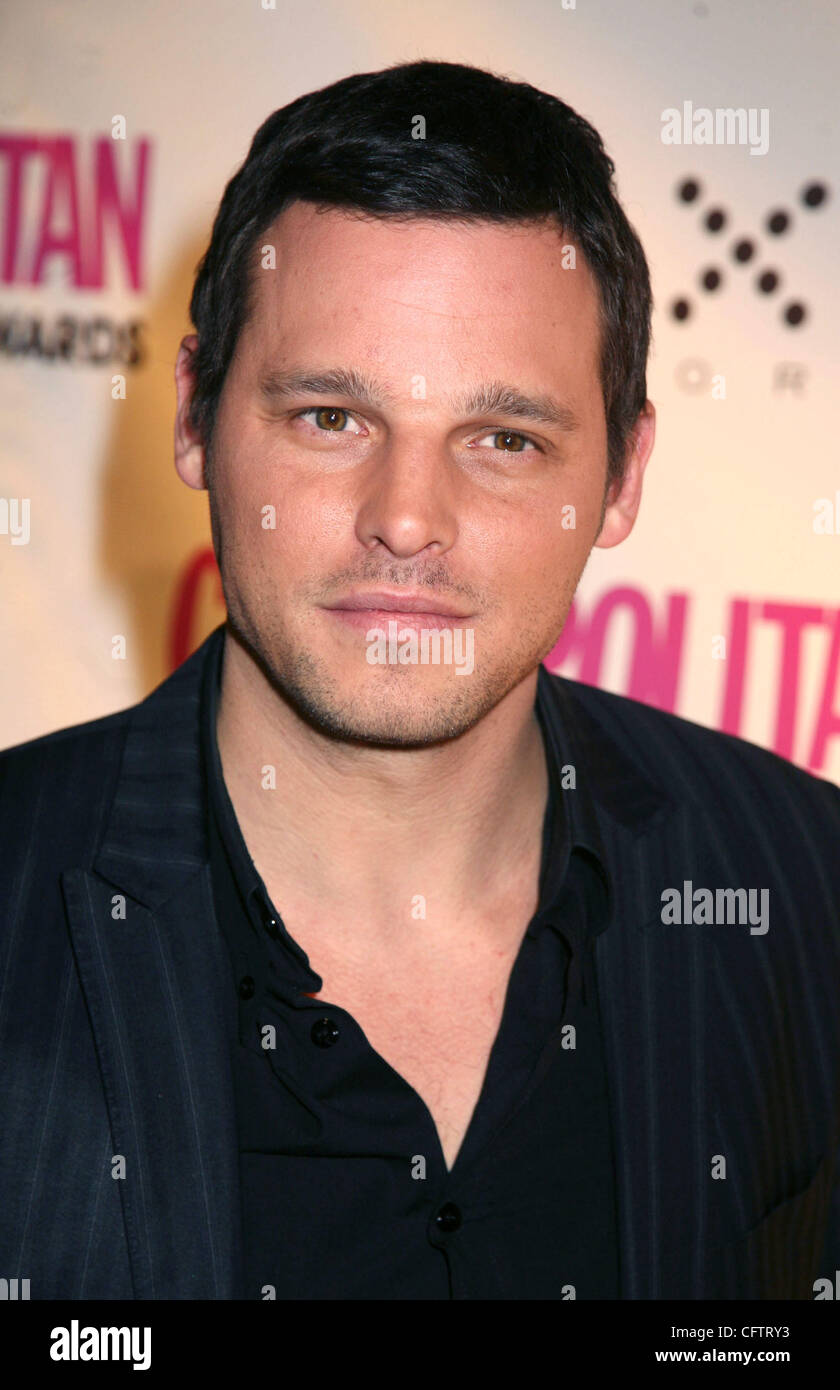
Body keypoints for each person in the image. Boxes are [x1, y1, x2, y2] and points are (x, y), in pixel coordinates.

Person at [1, 58, 838, 1301]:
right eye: (331, 416)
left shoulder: (803, 887)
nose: (406, 518)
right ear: (193, 415)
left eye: (505, 440)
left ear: (620, 478)